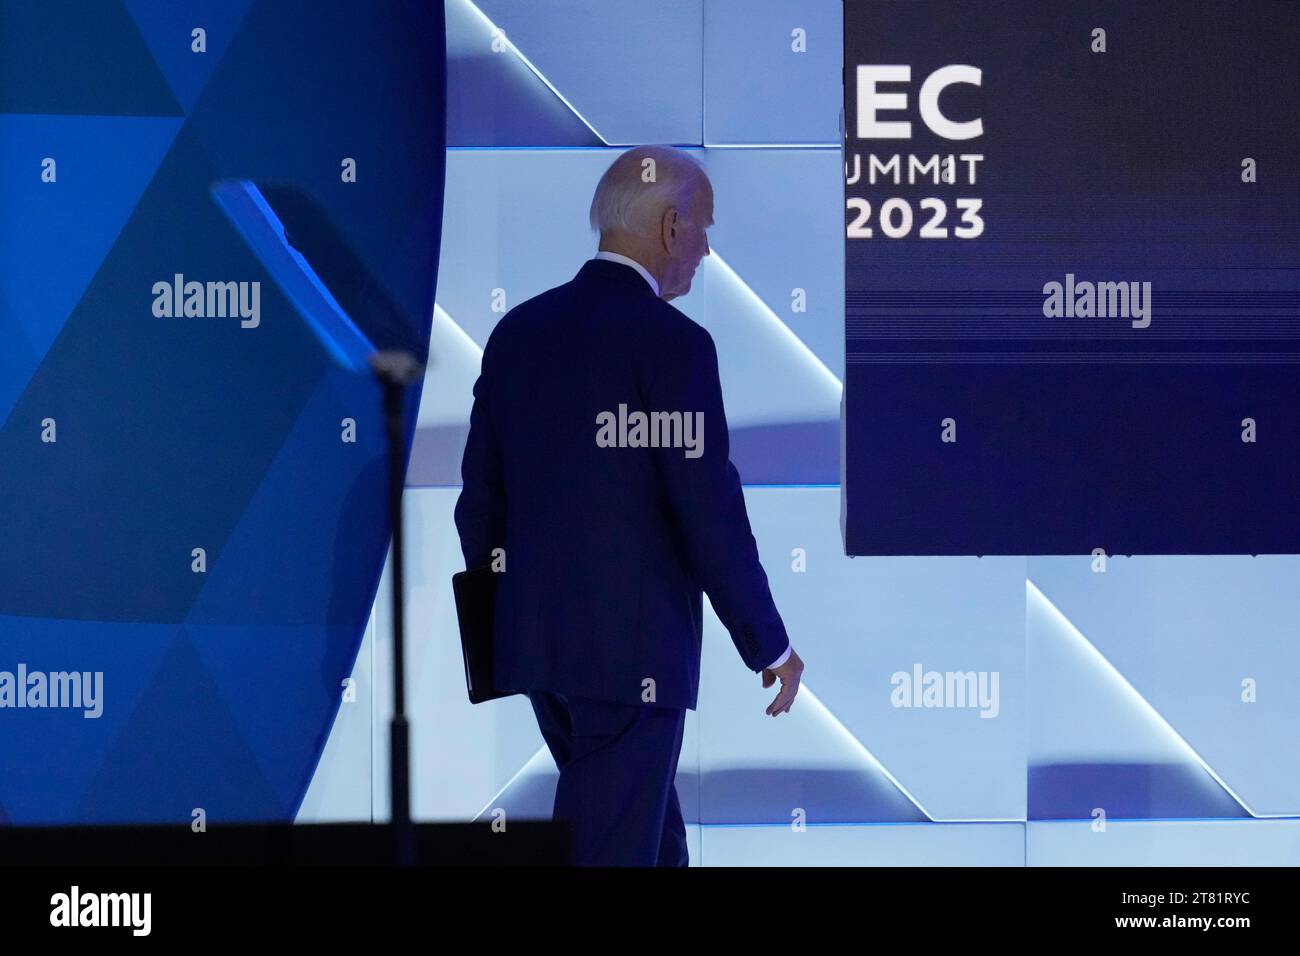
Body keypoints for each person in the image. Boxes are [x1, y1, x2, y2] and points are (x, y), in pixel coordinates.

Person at [454, 145, 804, 866]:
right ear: (672, 227)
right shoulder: (674, 345)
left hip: (538, 652)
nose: (706, 249)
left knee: (648, 839)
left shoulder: (517, 333)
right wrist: (767, 642)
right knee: (614, 846)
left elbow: (479, 503)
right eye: (704, 227)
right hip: (631, 660)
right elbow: (707, 509)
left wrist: (515, 615)